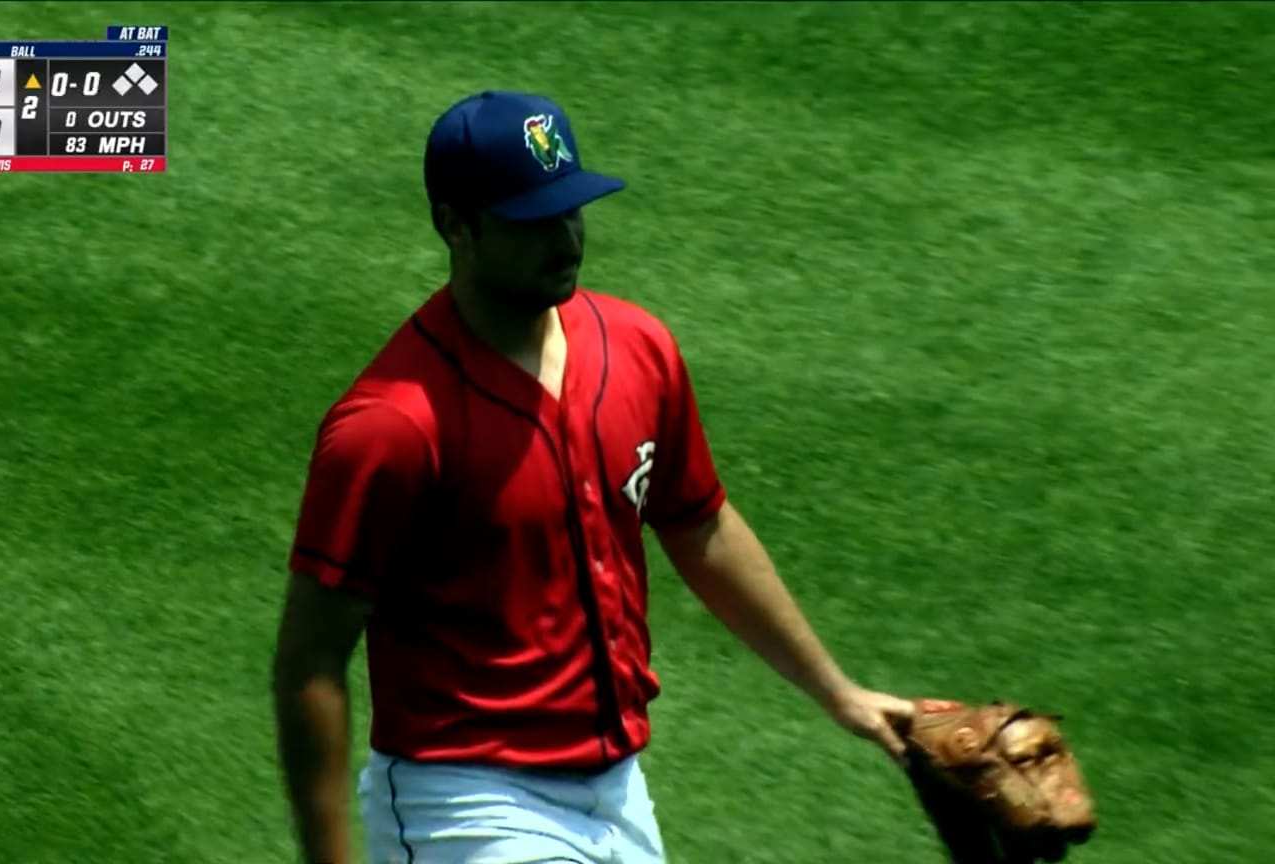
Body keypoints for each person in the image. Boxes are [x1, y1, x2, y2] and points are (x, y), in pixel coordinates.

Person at [272, 90, 915, 864]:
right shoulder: (392, 427)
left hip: (620, 795)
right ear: (455, 226)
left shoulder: (638, 349)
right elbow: (310, 663)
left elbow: (699, 524)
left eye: (571, 208)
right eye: (531, 219)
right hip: (466, 804)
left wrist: (838, 692)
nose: (565, 236)